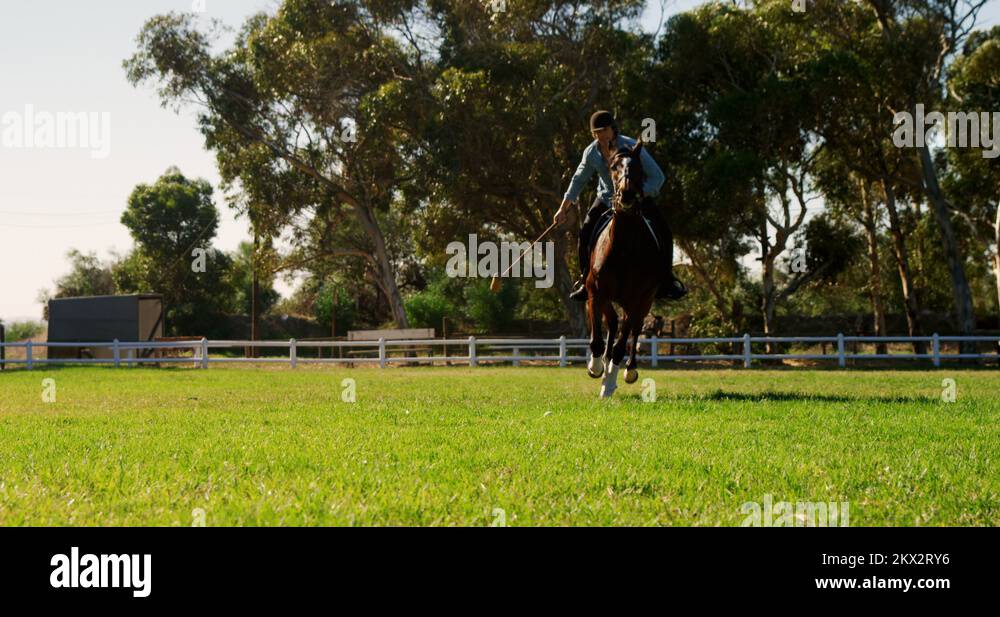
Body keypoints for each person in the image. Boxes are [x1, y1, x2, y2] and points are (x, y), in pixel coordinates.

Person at [553, 110, 687, 302]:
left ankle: (667, 282)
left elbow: (658, 177)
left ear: (612, 129)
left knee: (664, 231)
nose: (601, 135)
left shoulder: (632, 146)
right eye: (597, 132)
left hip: (637, 197)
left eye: (604, 130)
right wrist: (562, 208)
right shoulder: (591, 153)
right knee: (585, 234)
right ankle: (585, 281)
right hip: (606, 198)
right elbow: (578, 180)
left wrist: (638, 194)